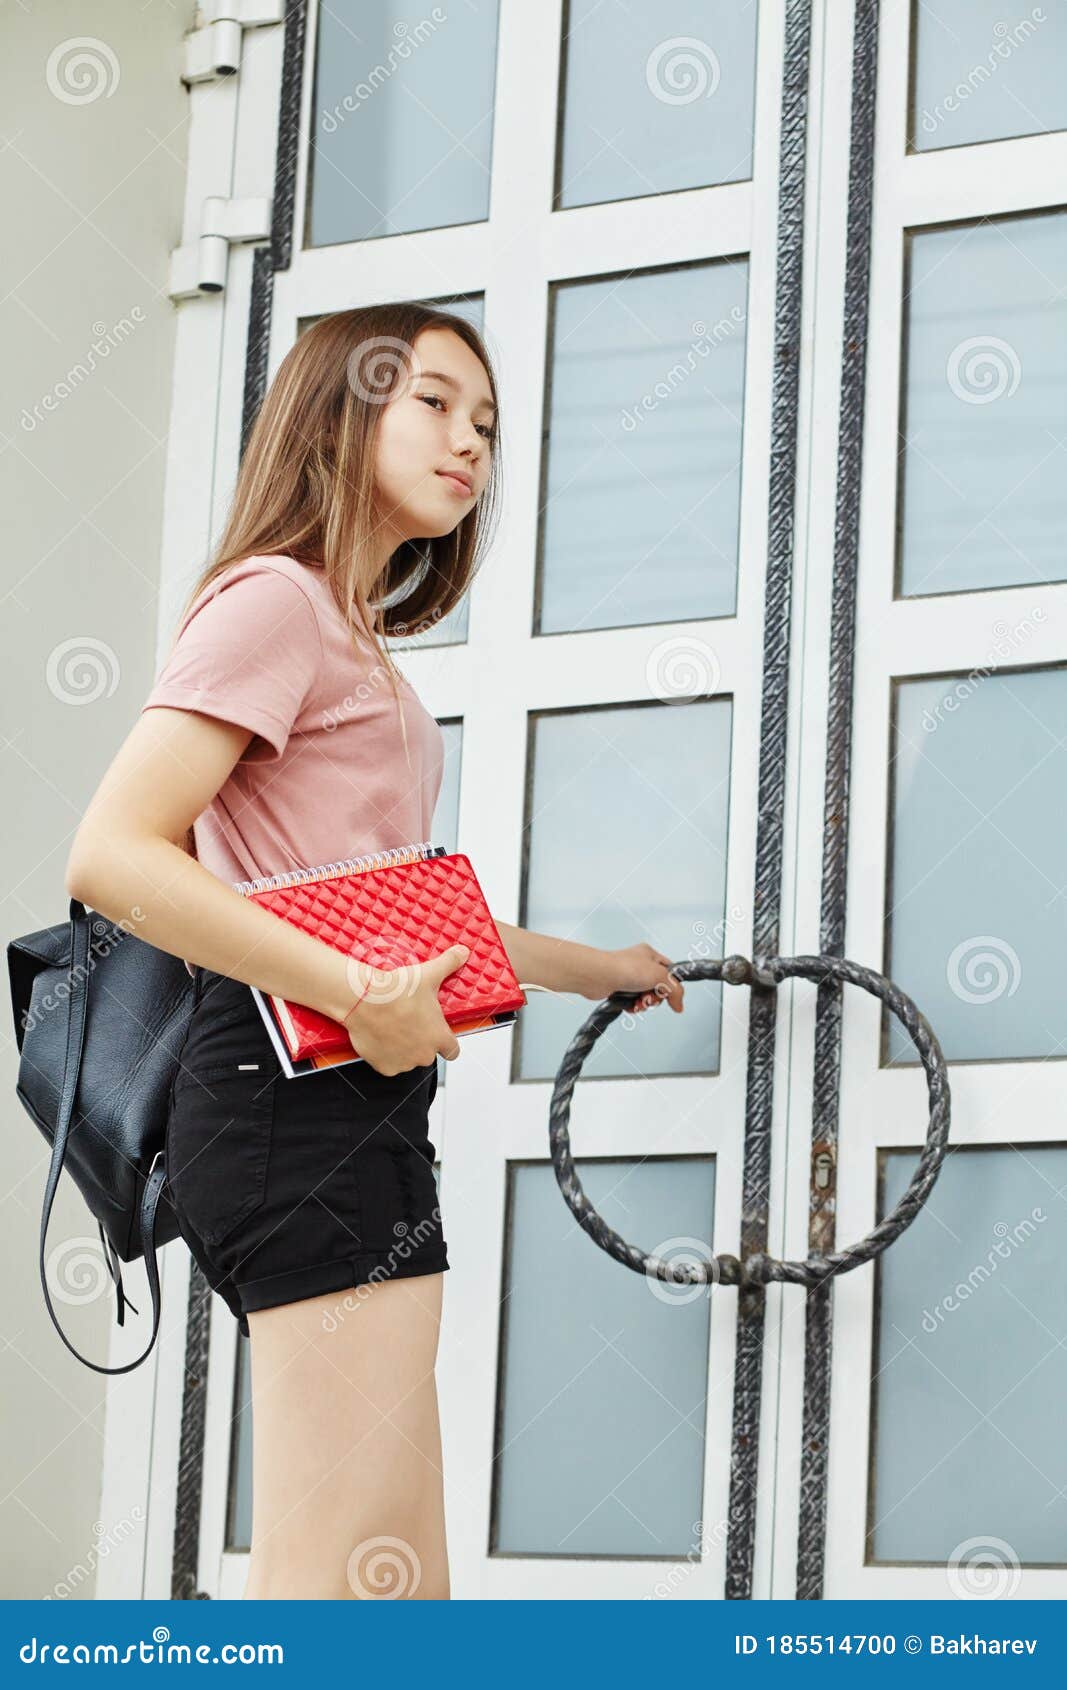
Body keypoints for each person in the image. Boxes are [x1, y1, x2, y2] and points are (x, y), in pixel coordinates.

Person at [64, 302, 685, 1600]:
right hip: (290, 1093)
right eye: (438, 405)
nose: (473, 445)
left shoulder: (357, 647)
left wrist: (593, 966)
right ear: (340, 413)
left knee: (397, 1587)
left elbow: (390, 913)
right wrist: (359, 995)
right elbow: (116, 852)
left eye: (490, 425)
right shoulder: (274, 605)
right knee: (327, 1575)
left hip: (362, 1105)